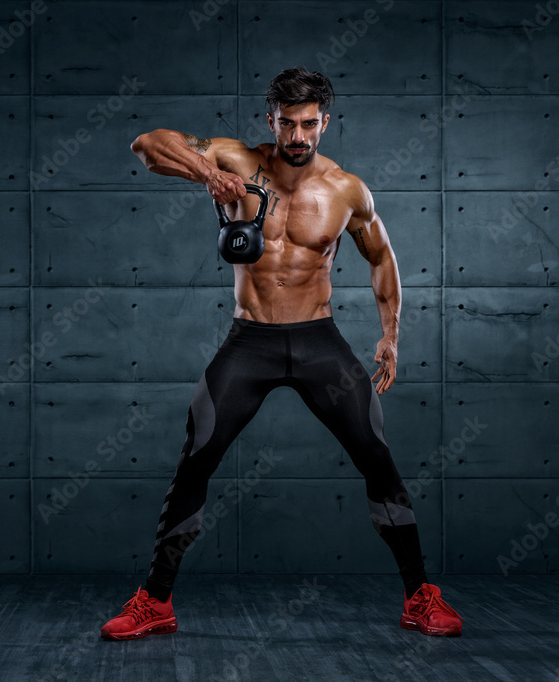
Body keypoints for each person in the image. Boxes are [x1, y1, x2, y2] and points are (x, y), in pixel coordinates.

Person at [100, 68, 462, 641]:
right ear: (270, 120)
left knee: (376, 454)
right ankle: (156, 600)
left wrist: (390, 334)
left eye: (310, 123)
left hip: (319, 341)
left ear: (325, 122)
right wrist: (207, 173)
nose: (298, 135)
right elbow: (146, 146)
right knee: (197, 456)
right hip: (251, 341)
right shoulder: (238, 160)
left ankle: (420, 595)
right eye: (288, 123)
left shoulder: (347, 190)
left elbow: (383, 258)